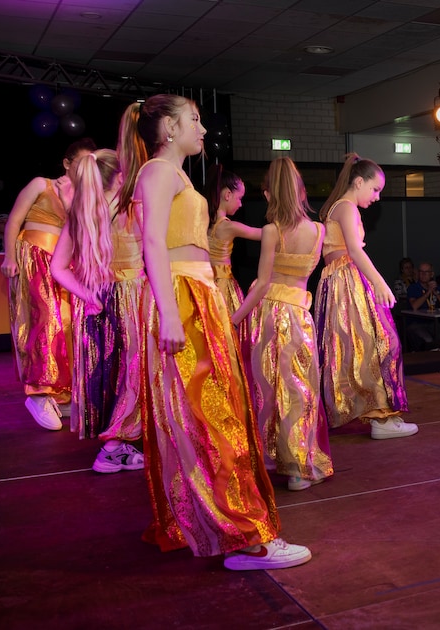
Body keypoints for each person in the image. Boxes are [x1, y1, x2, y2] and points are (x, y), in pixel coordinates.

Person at [128, 95, 308, 569]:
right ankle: (245, 537)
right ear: (168, 127)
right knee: (212, 414)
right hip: (183, 297)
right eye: (194, 120)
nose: (203, 129)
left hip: (197, 295)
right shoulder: (159, 172)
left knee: (210, 412)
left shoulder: (174, 174)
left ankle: (216, 523)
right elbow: (151, 243)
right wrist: (168, 313)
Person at [233, 158, 331, 493]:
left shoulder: (274, 230)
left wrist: (234, 319)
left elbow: (261, 284)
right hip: (299, 314)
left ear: (270, 192)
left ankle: (268, 457)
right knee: (299, 390)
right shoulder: (319, 231)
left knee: (265, 389)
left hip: (269, 315)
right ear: (301, 190)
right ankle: (298, 467)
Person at [47, 148, 145, 474]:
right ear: (120, 175)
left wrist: (90, 295)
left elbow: (58, 268)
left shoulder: (84, 213)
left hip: (98, 303)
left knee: (109, 375)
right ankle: (114, 445)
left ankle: (118, 444)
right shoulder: (133, 210)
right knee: (131, 372)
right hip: (131, 299)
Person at [316, 154, 413, 439]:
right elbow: (355, 251)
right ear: (359, 182)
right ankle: (380, 417)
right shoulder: (346, 208)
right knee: (377, 345)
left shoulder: (340, 207)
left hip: (342, 281)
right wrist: (380, 282)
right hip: (347, 282)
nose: (377, 197)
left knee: (364, 348)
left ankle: (380, 414)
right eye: (375, 189)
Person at [2, 138, 94, 429]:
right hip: (33, 257)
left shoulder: (83, 197)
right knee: (44, 323)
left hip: (62, 265)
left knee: (67, 326)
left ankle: (62, 395)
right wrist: (9, 257)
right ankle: (39, 393)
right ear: (67, 164)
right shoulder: (41, 184)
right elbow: (14, 220)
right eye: (81, 163)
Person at [205, 167, 260, 342]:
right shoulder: (227, 226)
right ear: (227, 195)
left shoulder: (206, 221)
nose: (241, 204)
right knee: (226, 335)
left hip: (206, 282)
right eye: (239, 198)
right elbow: (260, 234)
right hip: (222, 286)